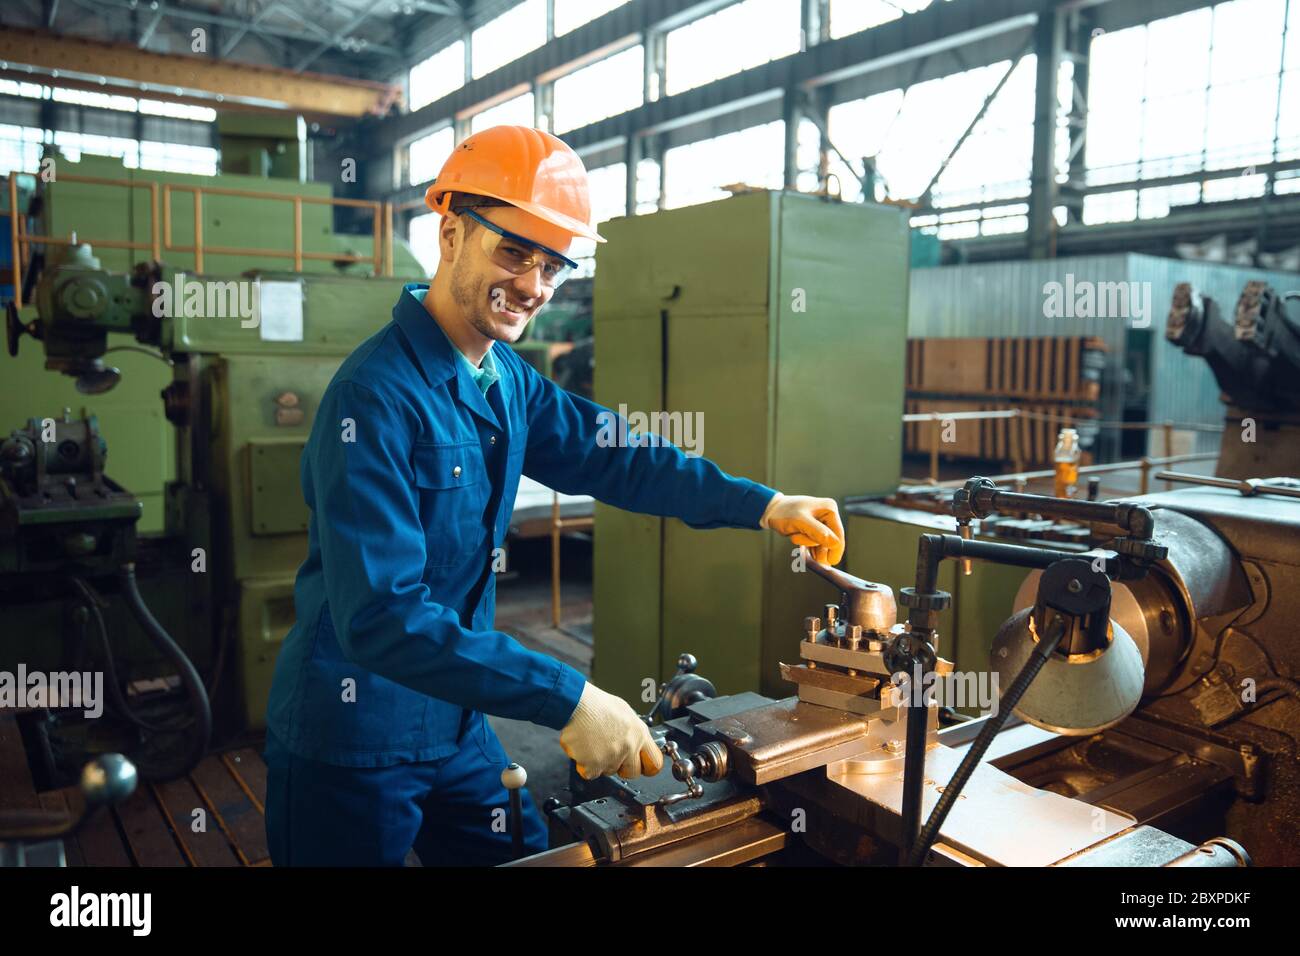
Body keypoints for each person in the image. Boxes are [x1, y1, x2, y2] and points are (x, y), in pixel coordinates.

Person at [263, 125, 845, 866]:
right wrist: (566, 696)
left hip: (457, 718)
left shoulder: (504, 379)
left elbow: (622, 458)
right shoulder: (373, 398)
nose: (535, 285)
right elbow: (381, 617)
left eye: (552, 265)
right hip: (353, 733)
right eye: (513, 251)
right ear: (450, 234)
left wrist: (761, 503)